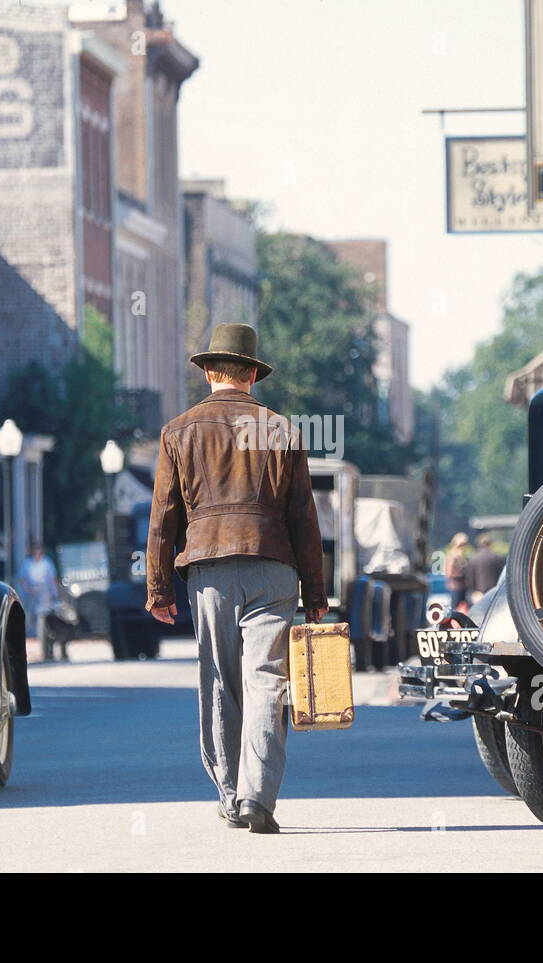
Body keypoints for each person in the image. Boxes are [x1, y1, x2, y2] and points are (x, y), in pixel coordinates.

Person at [145, 323, 326, 835]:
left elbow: (163, 518)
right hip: (274, 567)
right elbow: (303, 518)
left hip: (209, 570)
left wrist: (158, 588)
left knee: (221, 682)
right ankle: (257, 797)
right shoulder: (279, 429)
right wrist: (315, 593)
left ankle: (229, 793)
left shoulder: (178, 431)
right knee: (268, 681)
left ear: (207, 372)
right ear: (252, 374)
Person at [18, 541, 61, 660]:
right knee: (31, 617)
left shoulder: (47, 563)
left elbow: (52, 578)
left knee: (43, 615)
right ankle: (35, 638)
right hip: (32, 592)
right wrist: (27, 590)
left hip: (44, 591)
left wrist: (54, 593)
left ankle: (43, 639)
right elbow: (22, 579)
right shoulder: (27, 564)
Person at [467, 533, 505, 604]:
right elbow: (502, 575)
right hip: (494, 592)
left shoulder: (473, 558)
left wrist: (473, 591)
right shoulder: (496, 557)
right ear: (490, 543)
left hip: (479, 593)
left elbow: (470, 578)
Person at [443, 532, 470, 613]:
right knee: (455, 608)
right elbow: (449, 572)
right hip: (455, 586)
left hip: (462, 586)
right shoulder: (452, 555)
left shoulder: (461, 556)